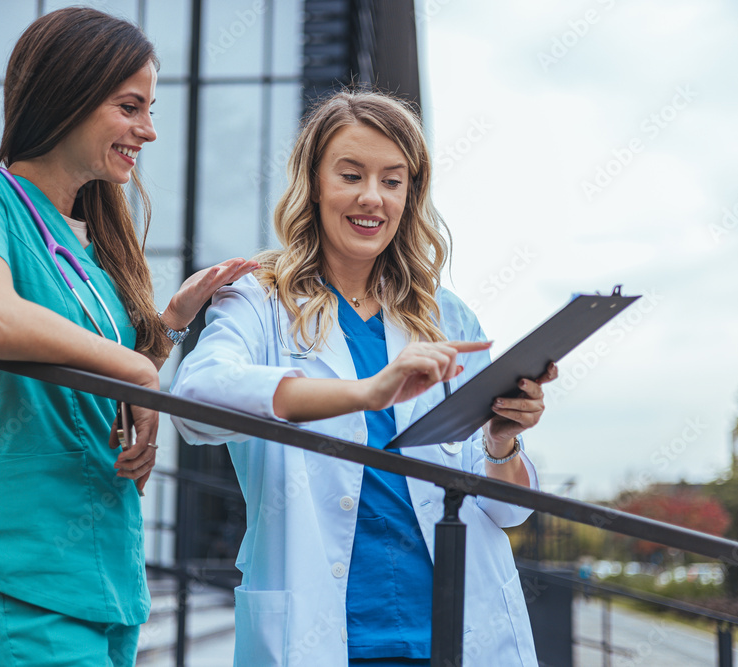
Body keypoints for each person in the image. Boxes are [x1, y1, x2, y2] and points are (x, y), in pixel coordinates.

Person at [0, 8, 257, 666]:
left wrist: (169, 325)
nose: (149, 130)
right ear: (66, 92)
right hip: (20, 573)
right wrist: (138, 369)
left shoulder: (93, 252)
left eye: (151, 109)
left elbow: (110, 369)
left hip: (108, 582)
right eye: (131, 107)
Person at [170, 89, 557, 666]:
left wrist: (502, 441)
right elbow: (197, 405)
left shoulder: (443, 316)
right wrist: (365, 393)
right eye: (351, 174)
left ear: (411, 194)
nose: (371, 197)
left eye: (392, 180)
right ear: (314, 182)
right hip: (325, 634)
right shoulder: (259, 301)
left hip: (455, 632)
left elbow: (506, 510)